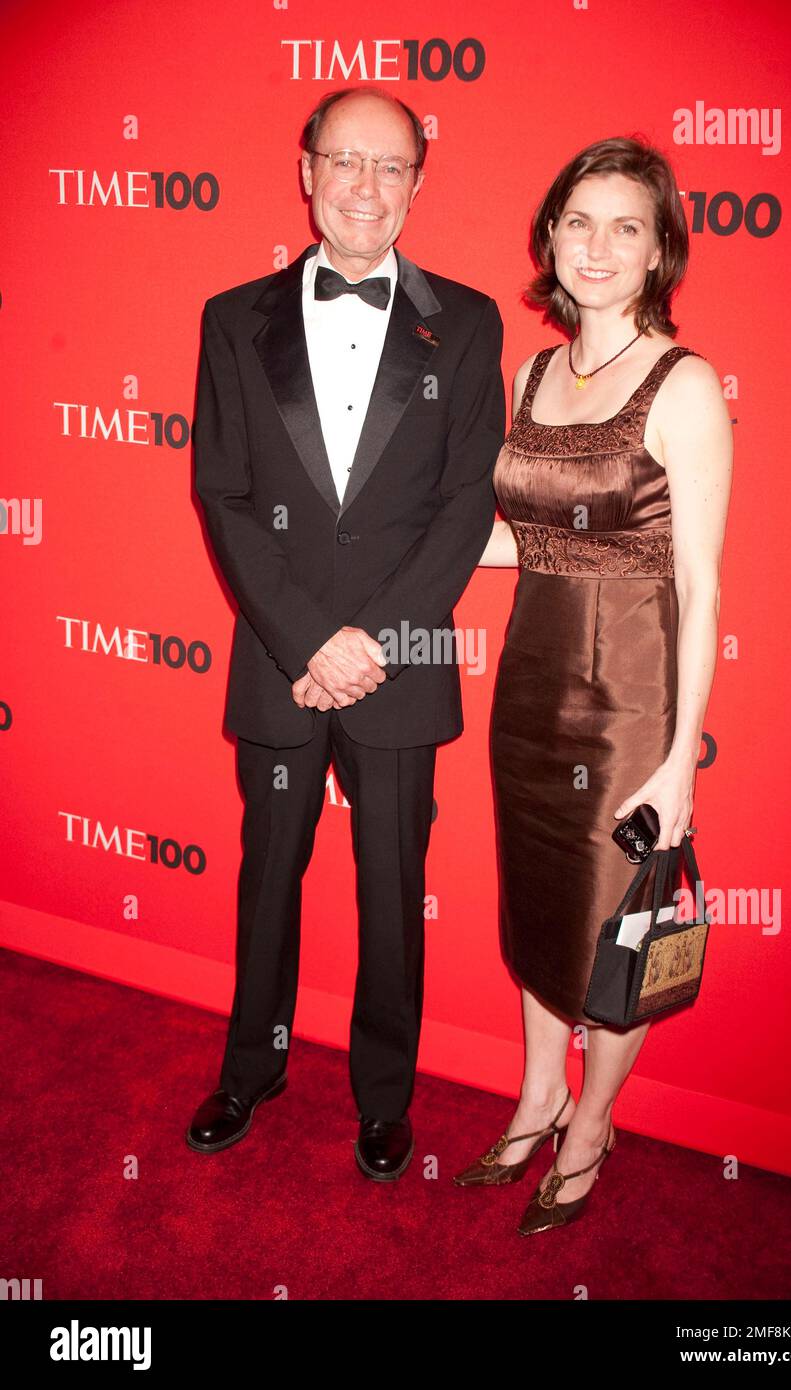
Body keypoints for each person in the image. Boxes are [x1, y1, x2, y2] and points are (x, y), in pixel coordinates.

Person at [188, 85, 505, 1181]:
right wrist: (308, 640)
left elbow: (465, 504)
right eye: (346, 161)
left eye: (391, 167)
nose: (367, 187)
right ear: (306, 170)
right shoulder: (232, 318)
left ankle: (383, 1096)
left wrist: (369, 641)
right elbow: (223, 495)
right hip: (283, 656)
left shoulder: (465, 322)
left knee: (389, 887)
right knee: (267, 878)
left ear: (418, 183)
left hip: (402, 664)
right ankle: (248, 1071)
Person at [456, 136, 732, 1234]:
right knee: (539, 909)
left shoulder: (685, 383)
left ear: (661, 248)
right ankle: (538, 1092)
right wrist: (370, 554)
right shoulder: (531, 372)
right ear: (550, 240)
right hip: (527, 690)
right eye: (579, 221)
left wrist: (679, 759)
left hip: (629, 702)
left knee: (617, 928)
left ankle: (590, 1125)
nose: (599, 245)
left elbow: (704, 588)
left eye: (627, 225)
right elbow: (517, 539)